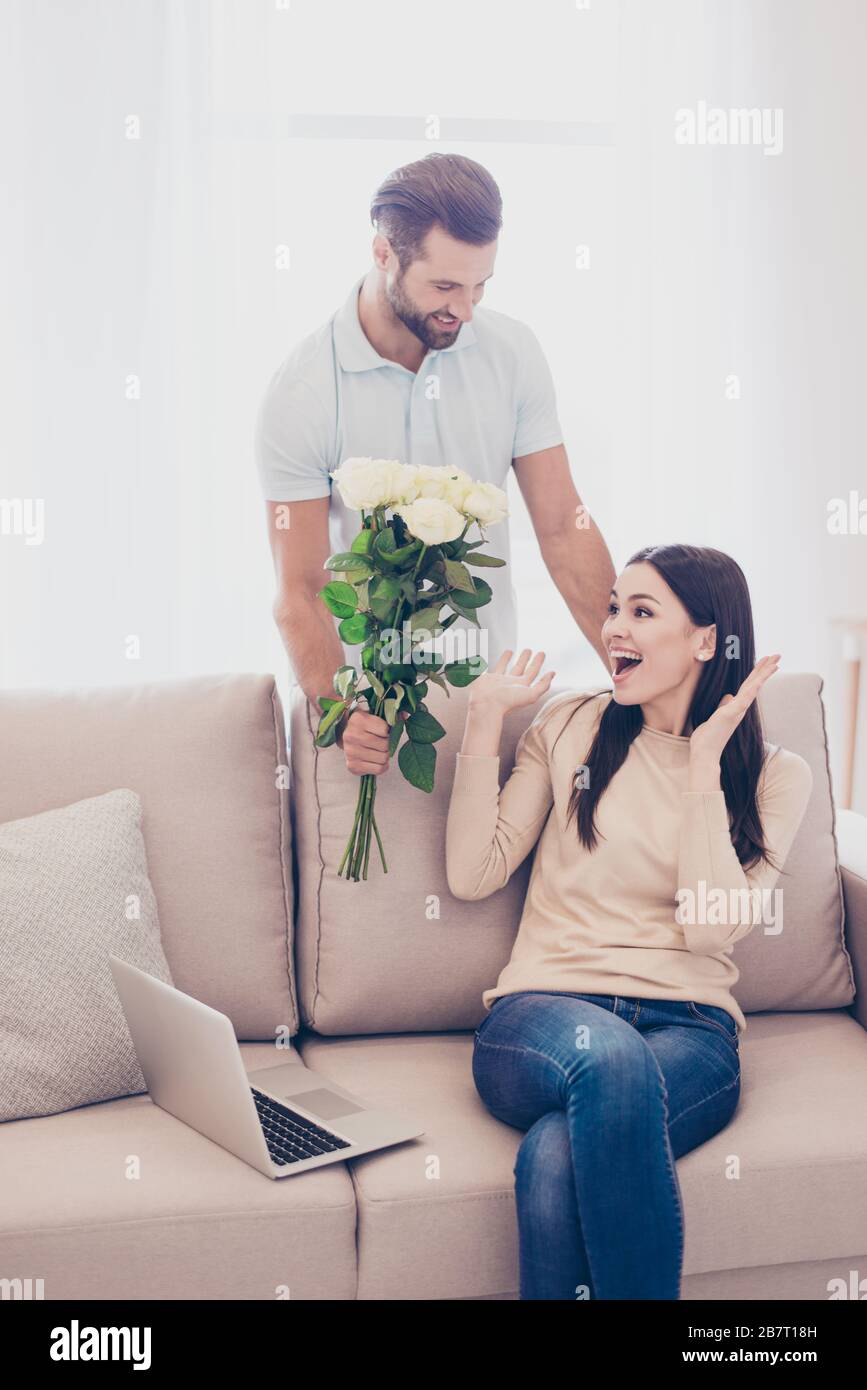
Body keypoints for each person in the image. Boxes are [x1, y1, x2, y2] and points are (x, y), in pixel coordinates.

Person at [445, 543, 814, 1300]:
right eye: (614, 607)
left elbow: (711, 932)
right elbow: (472, 874)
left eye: (641, 612)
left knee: (553, 1157)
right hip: (542, 1015)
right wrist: (482, 719)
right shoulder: (571, 728)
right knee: (606, 1058)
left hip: (691, 1032)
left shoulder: (777, 775)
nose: (614, 626)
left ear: (706, 640)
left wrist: (703, 770)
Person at [255, 151, 616, 778]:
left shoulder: (513, 354)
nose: (465, 309)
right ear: (383, 254)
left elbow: (562, 527)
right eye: (445, 287)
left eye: (480, 286)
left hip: (492, 699)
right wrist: (340, 712)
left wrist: (634, 671)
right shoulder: (302, 393)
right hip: (374, 715)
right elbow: (301, 589)